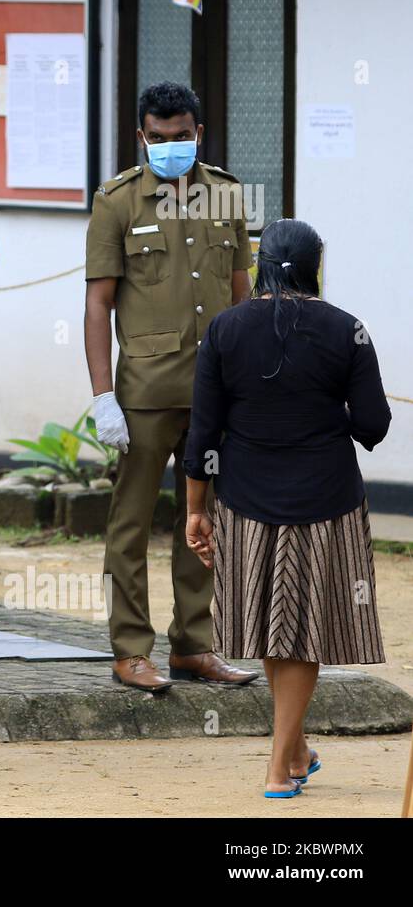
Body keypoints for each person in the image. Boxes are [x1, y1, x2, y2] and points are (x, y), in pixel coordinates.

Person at [183, 219, 390, 799]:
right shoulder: (347, 329)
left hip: (245, 500)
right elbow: (374, 425)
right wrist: (325, 412)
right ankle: (282, 766)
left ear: (260, 264)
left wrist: (196, 510)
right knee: (299, 632)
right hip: (327, 501)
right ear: (315, 266)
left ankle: (292, 753)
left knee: (278, 627)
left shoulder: (225, 328)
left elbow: (203, 433)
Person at [84, 81, 259, 692]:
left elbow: (240, 289)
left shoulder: (227, 195)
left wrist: (252, 378)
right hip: (144, 393)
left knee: (204, 520)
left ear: (198, 133)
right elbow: (98, 304)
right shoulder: (116, 202)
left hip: (215, 392)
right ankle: (131, 649)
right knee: (129, 525)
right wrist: (103, 395)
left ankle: (194, 644)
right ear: (141, 137)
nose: (170, 145)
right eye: (158, 138)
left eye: (181, 135)